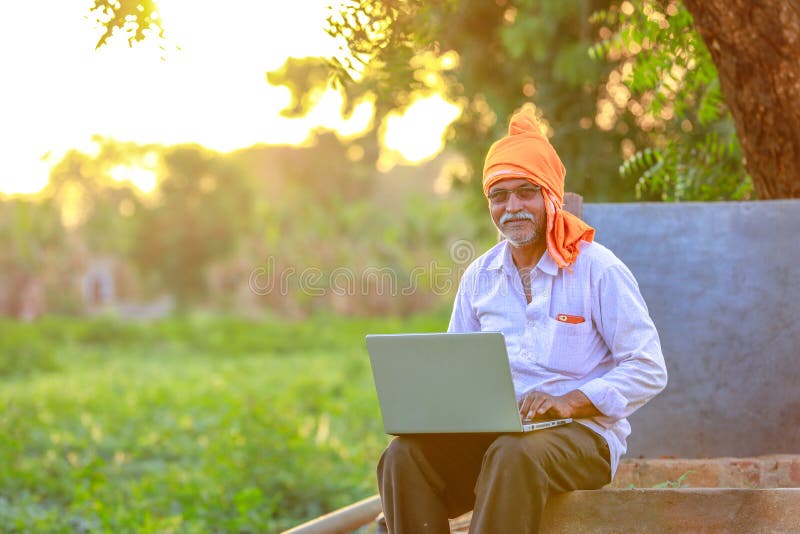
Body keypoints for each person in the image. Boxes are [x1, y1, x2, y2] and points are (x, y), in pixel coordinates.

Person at [376, 107, 668, 533]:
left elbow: (649, 367)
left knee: (513, 452)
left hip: (582, 438)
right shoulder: (479, 277)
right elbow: (456, 371)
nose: (512, 207)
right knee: (403, 457)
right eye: (499, 196)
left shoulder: (598, 269)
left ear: (550, 196)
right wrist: (433, 413)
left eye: (525, 192)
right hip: (494, 443)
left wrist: (571, 401)